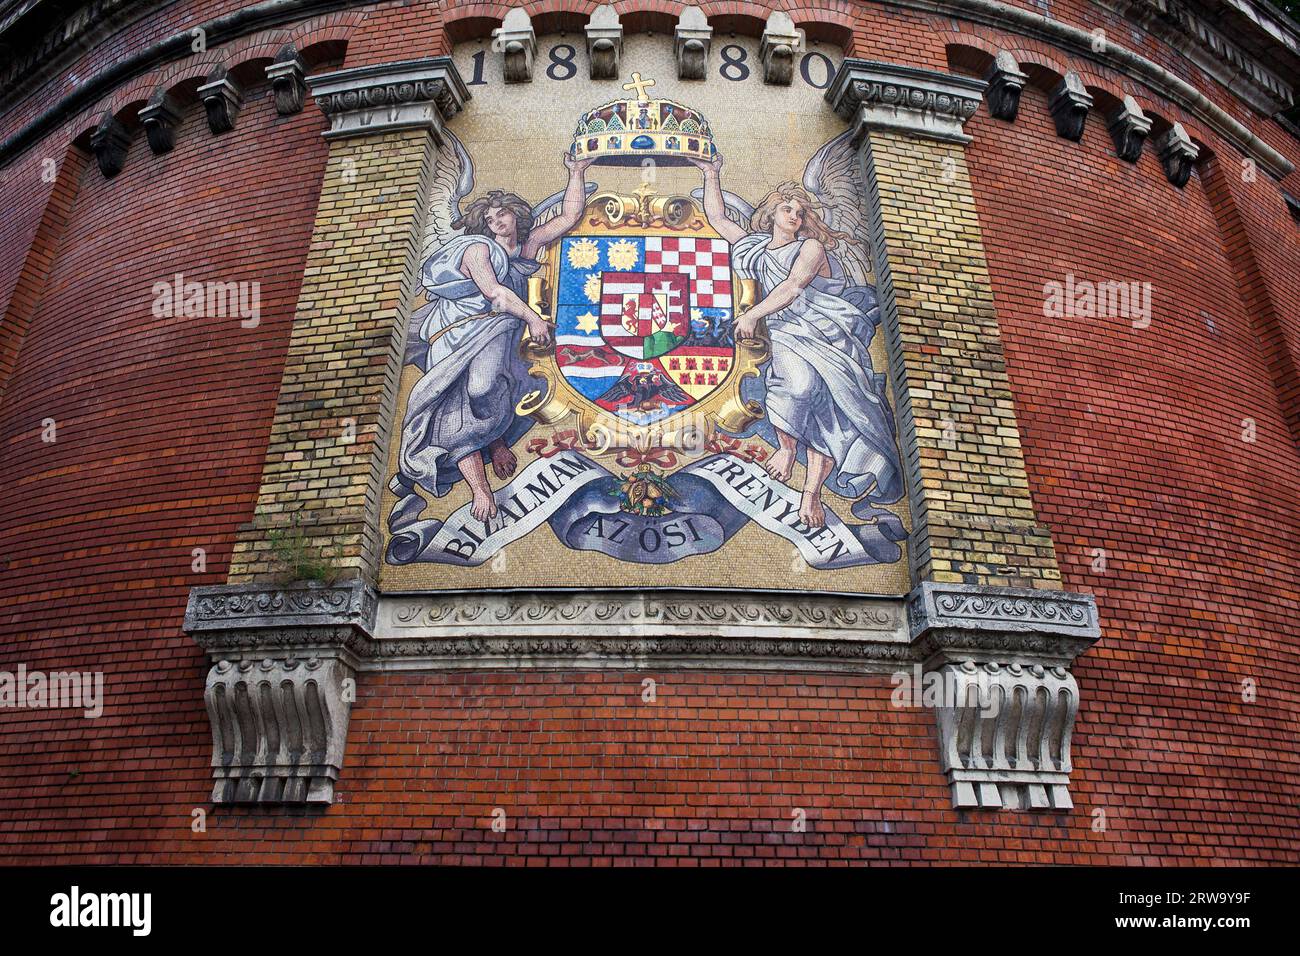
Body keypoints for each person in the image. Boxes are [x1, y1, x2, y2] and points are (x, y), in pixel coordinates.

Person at [692, 154, 903, 528]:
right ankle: (788, 450)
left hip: (827, 331)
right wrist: (711, 173)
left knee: (833, 410)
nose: (795, 217)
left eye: (801, 213)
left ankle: (811, 492)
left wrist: (754, 314)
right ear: (772, 213)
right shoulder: (755, 248)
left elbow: (793, 286)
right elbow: (720, 220)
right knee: (800, 386)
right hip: (787, 331)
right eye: (787, 209)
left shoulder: (811, 248)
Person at [390, 153, 594, 526]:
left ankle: (495, 439)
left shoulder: (527, 246)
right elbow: (495, 293)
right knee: (459, 403)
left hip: (502, 331)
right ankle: (480, 487)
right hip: (460, 333)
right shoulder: (478, 250)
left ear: (515, 214)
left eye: (502, 215)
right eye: (489, 218)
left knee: (487, 391)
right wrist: (534, 318)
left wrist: (576, 172)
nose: (497, 222)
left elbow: (569, 217)